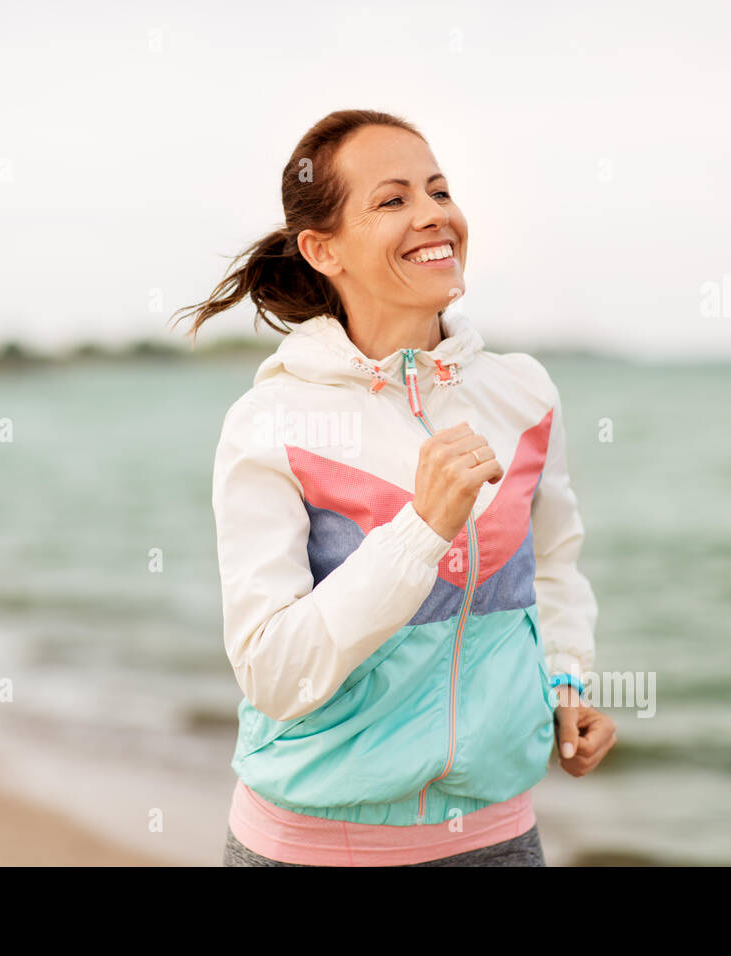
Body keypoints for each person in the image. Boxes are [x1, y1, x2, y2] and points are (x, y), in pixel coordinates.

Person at [170, 109, 616, 867]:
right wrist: (421, 530)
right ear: (322, 248)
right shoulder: (270, 423)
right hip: (314, 848)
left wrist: (564, 682)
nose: (433, 215)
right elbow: (275, 671)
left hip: (499, 838)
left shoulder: (525, 396)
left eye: (439, 190)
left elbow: (553, 567)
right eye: (393, 200)